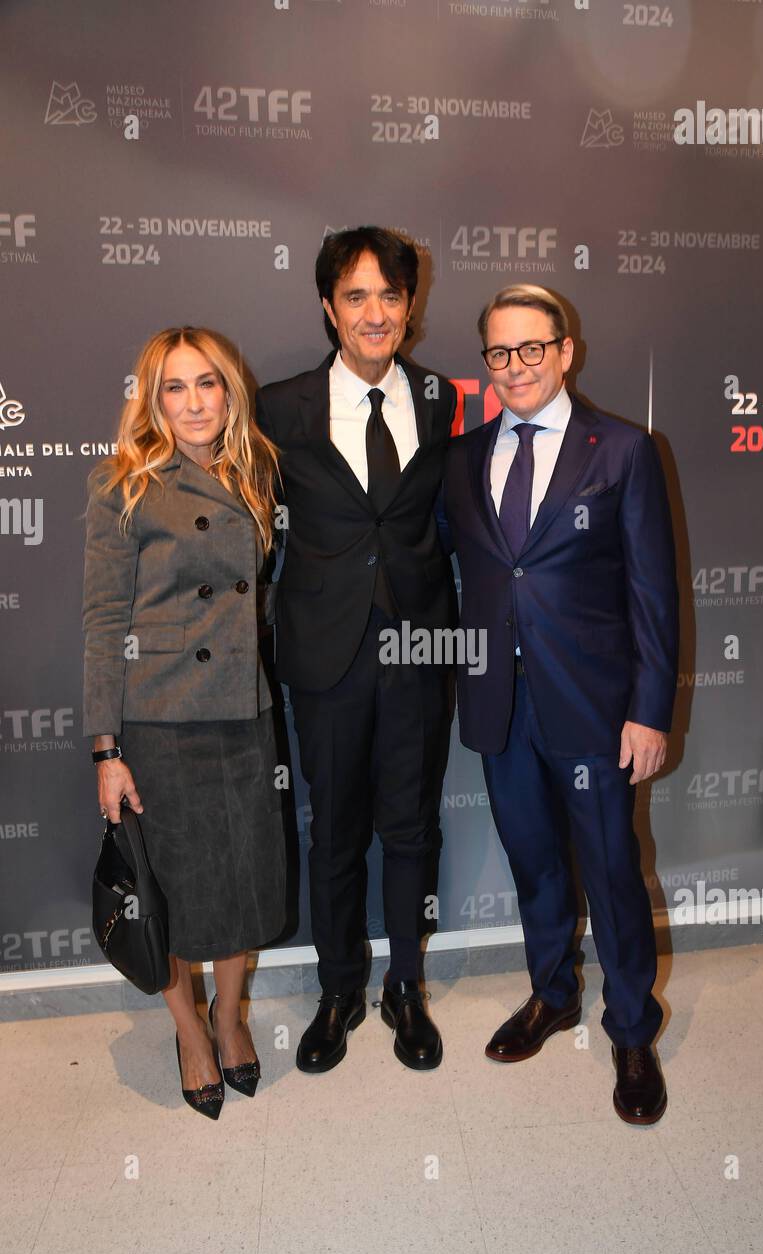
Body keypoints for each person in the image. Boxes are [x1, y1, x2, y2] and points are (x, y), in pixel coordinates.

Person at [443, 285, 678, 1124]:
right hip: (501, 706)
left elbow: (654, 593)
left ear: (565, 350)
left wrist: (649, 711)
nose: (516, 368)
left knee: (612, 871)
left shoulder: (622, 451)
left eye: (531, 350)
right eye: (499, 354)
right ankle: (552, 992)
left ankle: (631, 1027)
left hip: (595, 710)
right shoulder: (463, 458)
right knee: (533, 861)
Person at [256, 226, 456, 1073]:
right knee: (334, 830)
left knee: (411, 828)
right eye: (356, 295)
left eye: (390, 295)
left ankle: (405, 985)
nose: (375, 312)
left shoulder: (444, 399)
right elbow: (250, 532)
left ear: (410, 307)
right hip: (325, 652)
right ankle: (338, 987)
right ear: (329, 309)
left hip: (420, 646)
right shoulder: (278, 407)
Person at [83, 326, 296, 1120]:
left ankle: (230, 1017)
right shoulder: (125, 483)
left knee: (243, 883)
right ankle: (190, 1035)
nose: (194, 401)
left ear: (229, 389)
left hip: (245, 712)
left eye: (208, 383)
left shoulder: (257, 469)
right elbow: (104, 620)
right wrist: (107, 748)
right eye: (175, 387)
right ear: (152, 398)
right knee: (169, 889)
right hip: (161, 720)